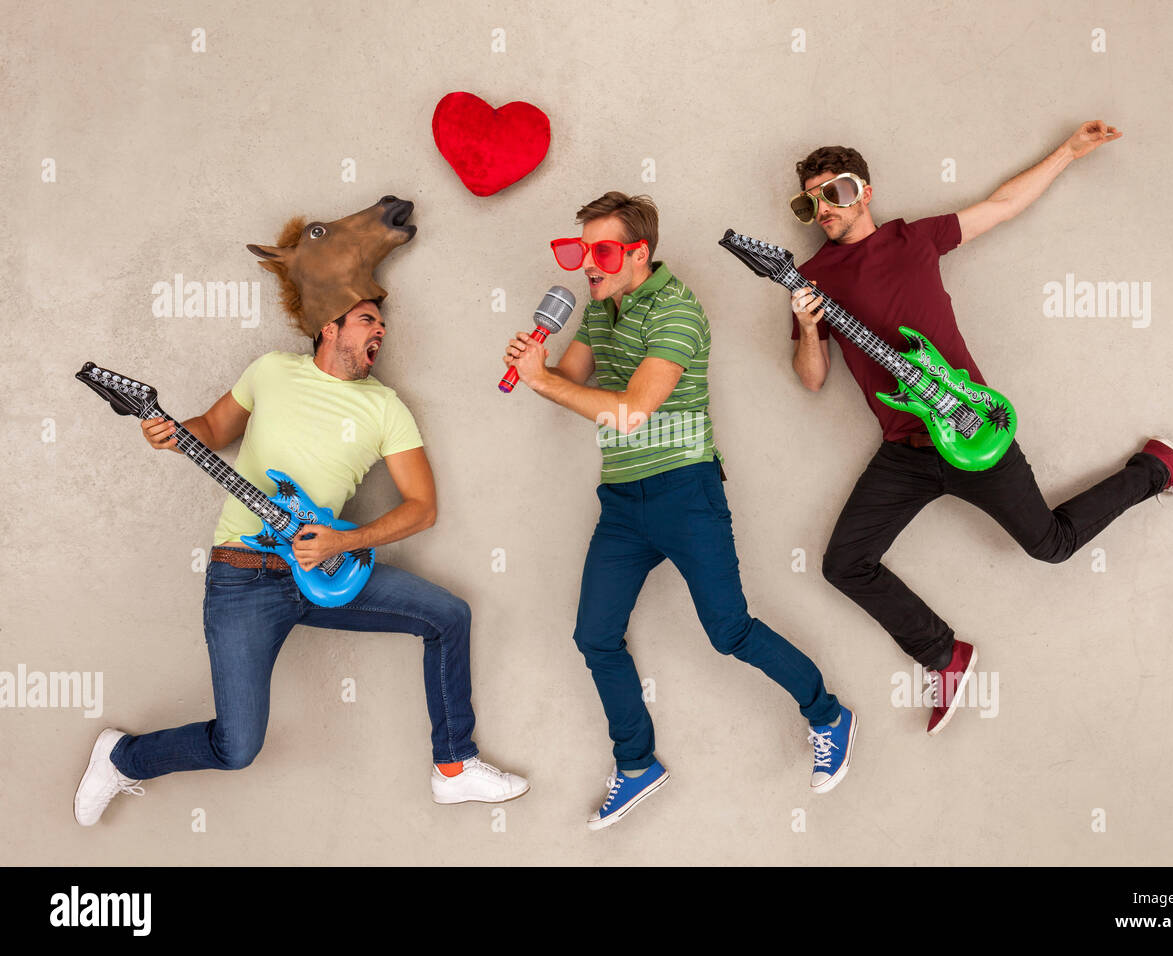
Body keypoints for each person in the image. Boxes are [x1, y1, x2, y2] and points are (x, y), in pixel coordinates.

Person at [786, 121, 1173, 735]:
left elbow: (1002, 205)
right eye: (811, 200)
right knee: (843, 563)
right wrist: (807, 326)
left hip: (970, 430)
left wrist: (1068, 152)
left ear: (865, 192)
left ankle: (1156, 470)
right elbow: (810, 379)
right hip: (904, 452)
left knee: (1050, 546)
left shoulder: (914, 240)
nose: (823, 208)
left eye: (836, 191)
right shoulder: (812, 280)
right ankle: (944, 654)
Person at [75, 296, 528, 826]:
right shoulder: (271, 370)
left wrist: (344, 542)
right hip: (243, 577)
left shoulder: (386, 406)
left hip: (324, 569)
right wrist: (168, 435)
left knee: (448, 614)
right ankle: (121, 758)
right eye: (366, 320)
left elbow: (422, 509)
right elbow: (212, 431)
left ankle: (454, 767)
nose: (380, 331)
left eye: (383, 325)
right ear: (328, 328)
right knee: (237, 747)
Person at [504, 191, 855, 830]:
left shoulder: (678, 310)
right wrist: (542, 363)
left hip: (685, 491)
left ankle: (828, 714)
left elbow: (631, 410)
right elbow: (575, 381)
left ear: (639, 253)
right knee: (594, 635)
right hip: (622, 501)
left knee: (730, 631)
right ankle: (637, 764)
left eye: (602, 251)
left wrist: (544, 381)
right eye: (580, 250)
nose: (587, 263)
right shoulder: (599, 307)